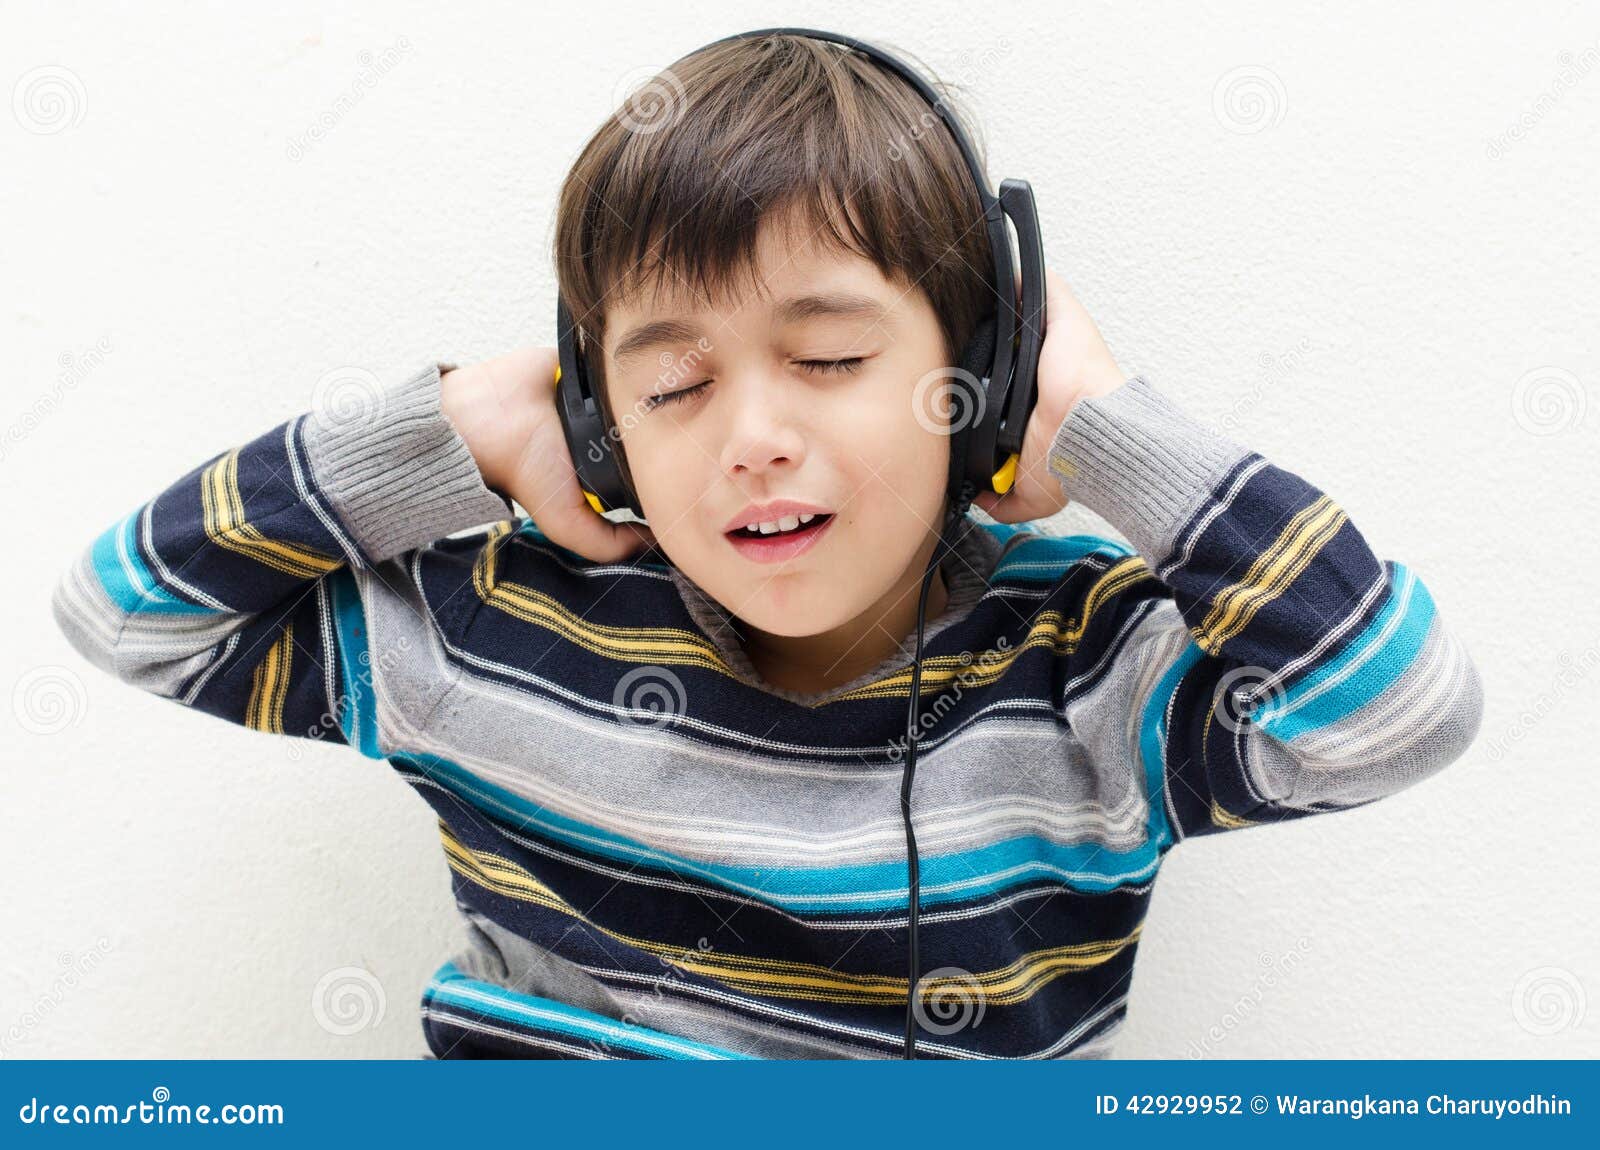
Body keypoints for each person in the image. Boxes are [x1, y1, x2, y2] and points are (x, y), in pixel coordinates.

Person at [50, 32, 1483, 1059]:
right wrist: (456, 424)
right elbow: (130, 611)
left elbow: (1396, 712)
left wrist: (1106, 427)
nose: (751, 435)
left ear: (981, 379)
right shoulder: (498, 632)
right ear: (601, 426)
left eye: (830, 358)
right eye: (673, 385)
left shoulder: (1089, 673)